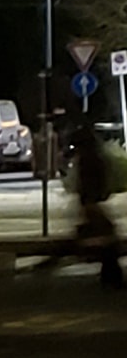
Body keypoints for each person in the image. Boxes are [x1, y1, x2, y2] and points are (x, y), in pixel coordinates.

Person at [70, 122, 123, 289]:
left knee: (104, 238)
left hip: (90, 201)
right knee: (107, 238)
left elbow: (86, 182)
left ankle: (110, 275)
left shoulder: (87, 160)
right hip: (93, 201)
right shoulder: (95, 157)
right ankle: (111, 275)